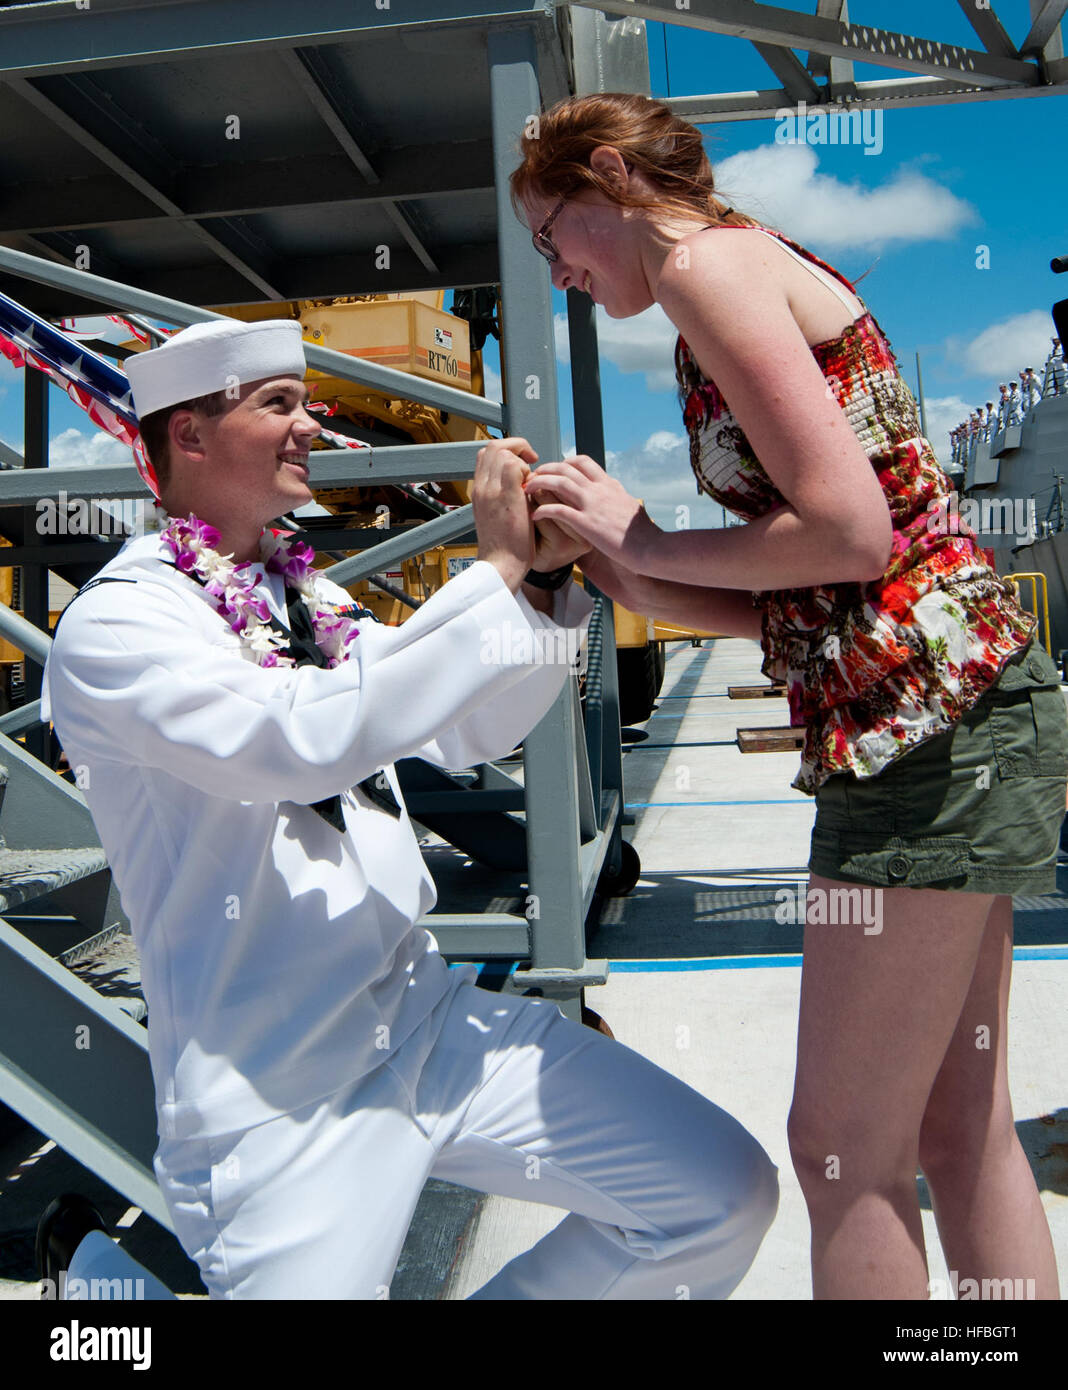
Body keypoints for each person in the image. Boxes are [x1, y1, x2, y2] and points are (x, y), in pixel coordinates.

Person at [41, 317, 777, 1299]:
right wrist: (498, 572)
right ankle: (96, 1280)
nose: (311, 424)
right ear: (190, 435)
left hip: (419, 1019)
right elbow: (298, 740)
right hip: (279, 1086)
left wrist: (545, 586)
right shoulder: (123, 622)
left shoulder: (306, 599)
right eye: (279, 404)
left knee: (717, 1192)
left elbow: (463, 731)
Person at [510, 92, 1067, 1300]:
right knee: (957, 1125)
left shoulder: (706, 266)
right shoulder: (733, 274)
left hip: (925, 733)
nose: (554, 271)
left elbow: (851, 536)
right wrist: (624, 565)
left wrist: (649, 532)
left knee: (839, 1150)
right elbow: (807, 593)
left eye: (555, 233)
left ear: (611, 178)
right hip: (954, 707)